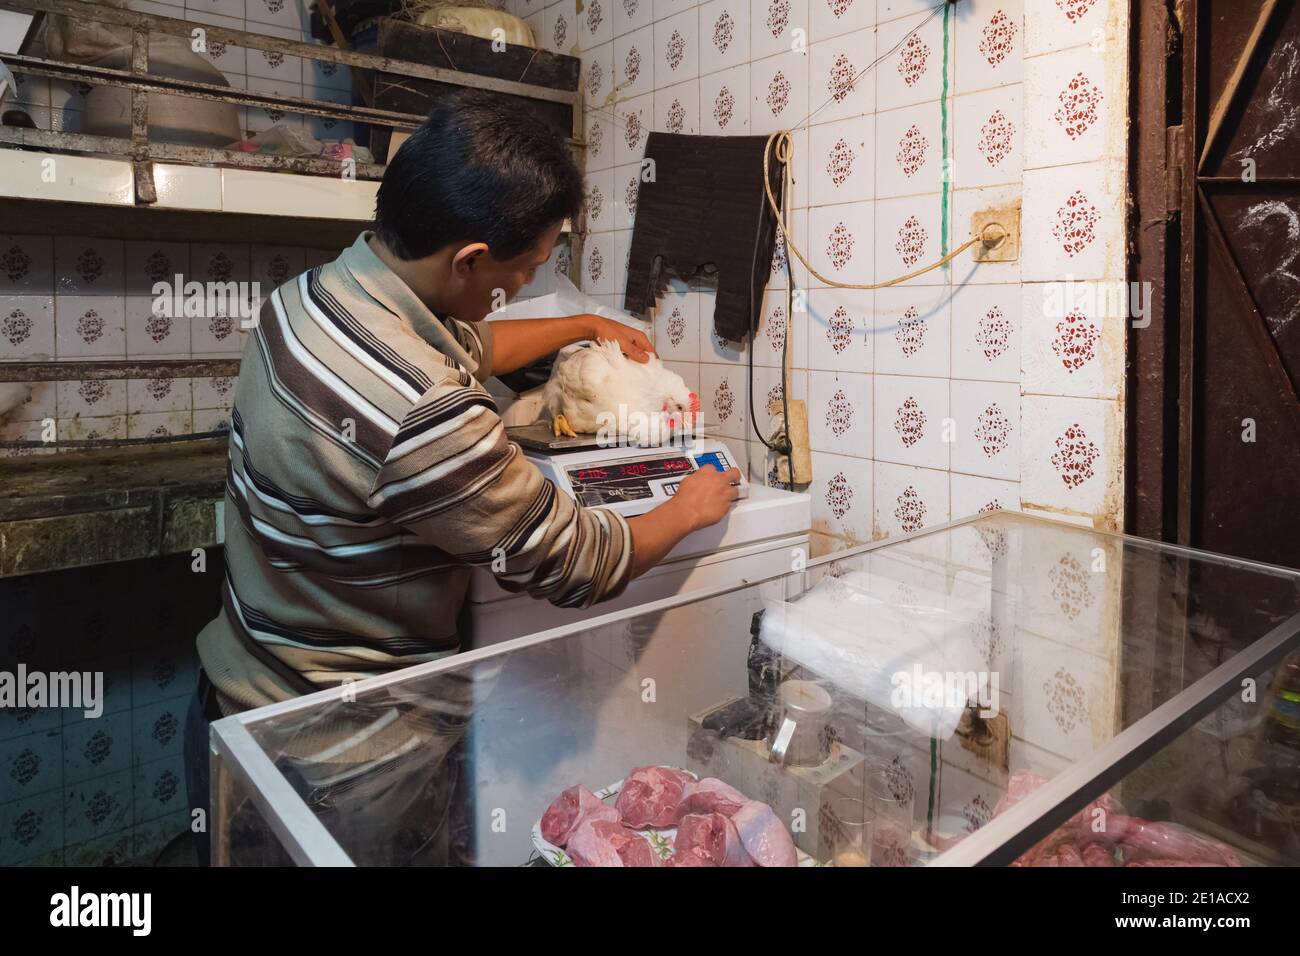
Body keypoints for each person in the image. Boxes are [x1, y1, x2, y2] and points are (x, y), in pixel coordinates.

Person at [184, 88, 740, 864]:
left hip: (243, 693)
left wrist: (584, 323)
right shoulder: (425, 412)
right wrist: (688, 507)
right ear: (471, 261)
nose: (524, 283)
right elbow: (575, 561)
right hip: (353, 757)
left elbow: (469, 346)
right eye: (530, 267)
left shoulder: (309, 299)